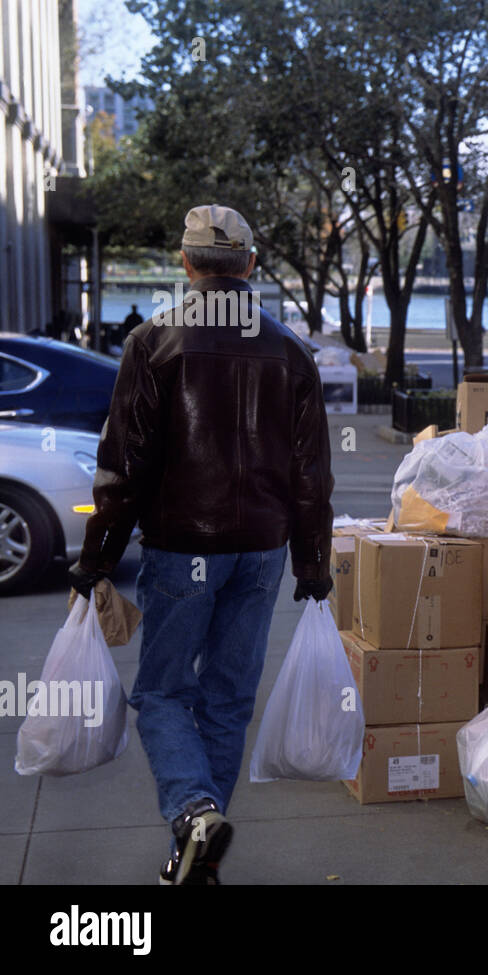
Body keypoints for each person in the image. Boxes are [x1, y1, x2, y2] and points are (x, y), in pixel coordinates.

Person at [70, 204, 335, 885]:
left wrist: (96, 558)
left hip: (183, 546)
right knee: (226, 698)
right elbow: (311, 474)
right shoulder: (290, 351)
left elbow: (122, 468)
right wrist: (311, 561)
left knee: (161, 693)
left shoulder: (153, 342)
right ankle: (198, 852)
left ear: (186, 266)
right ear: (249, 265)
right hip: (262, 551)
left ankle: (192, 812)